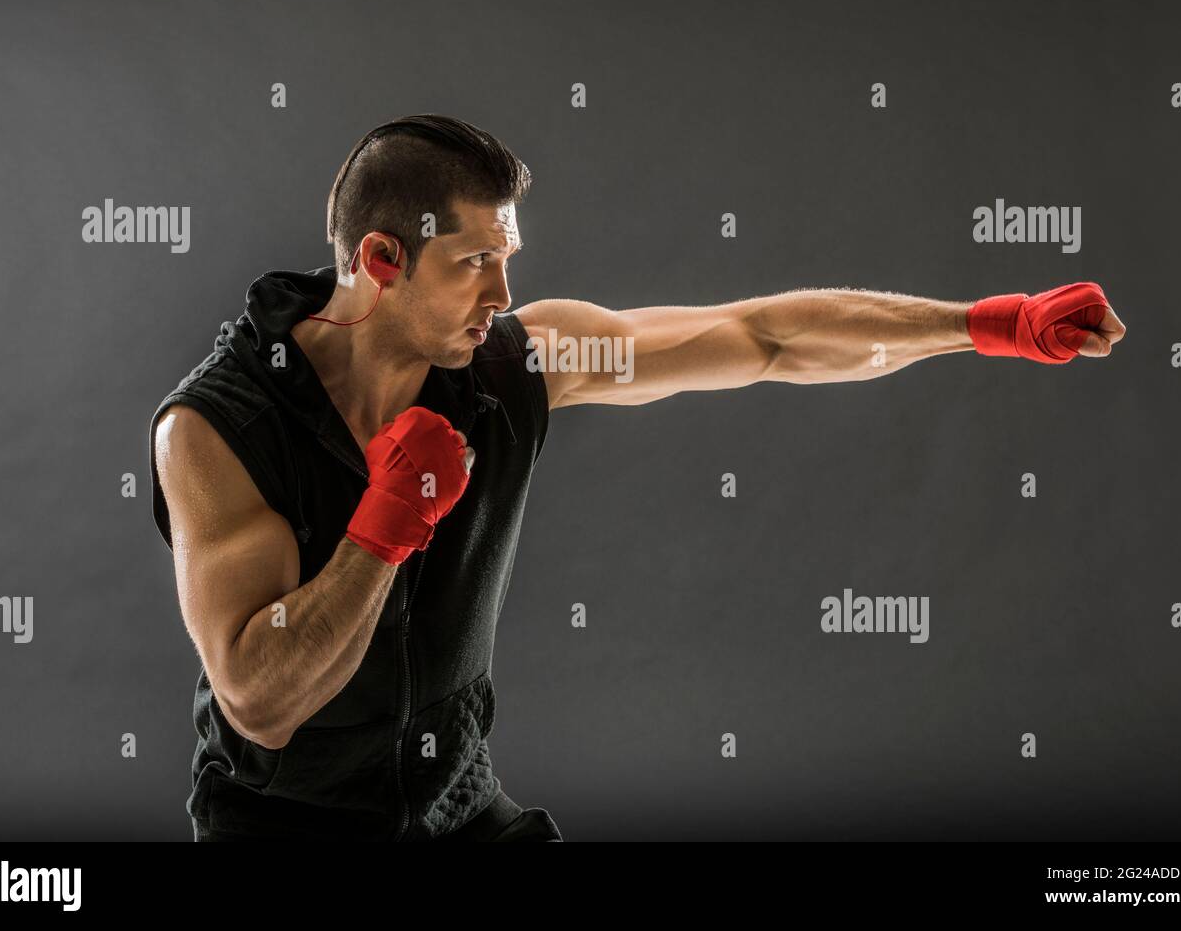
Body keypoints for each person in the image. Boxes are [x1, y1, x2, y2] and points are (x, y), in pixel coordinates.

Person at [148, 113, 1126, 842]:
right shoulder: (218, 427)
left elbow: (762, 338)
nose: (502, 295)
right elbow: (261, 698)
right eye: (475, 262)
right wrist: (387, 521)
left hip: (457, 805)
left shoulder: (511, 364)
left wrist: (986, 324)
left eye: (509, 258)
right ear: (380, 259)